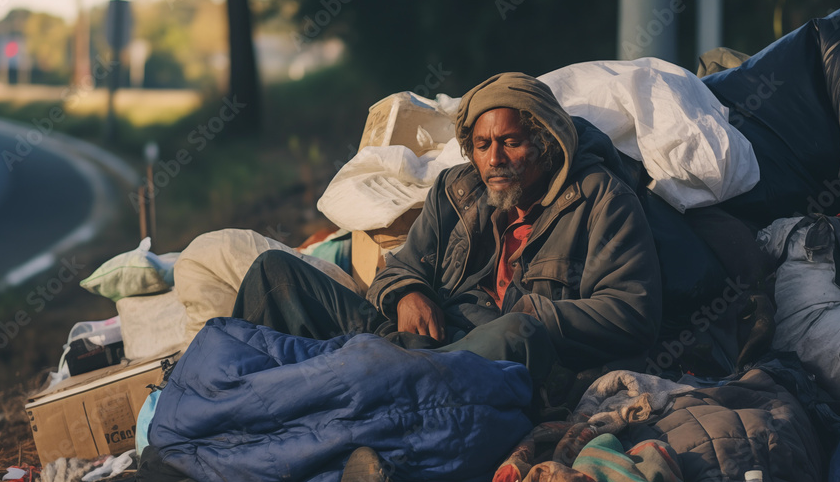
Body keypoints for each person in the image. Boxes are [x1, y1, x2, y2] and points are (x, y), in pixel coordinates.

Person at [233, 72, 662, 385]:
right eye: (482, 145)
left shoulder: (601, 199)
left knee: (515, 333)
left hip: (492, 365)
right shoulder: (456, 190)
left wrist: (530, 313)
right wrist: (407, 293)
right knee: (275, 271)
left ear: (545, 144)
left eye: (510, 142)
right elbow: (399, 268)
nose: (494, 158)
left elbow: (632, 313)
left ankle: (373, 385)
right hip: (420, 346)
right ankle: (237, 405)